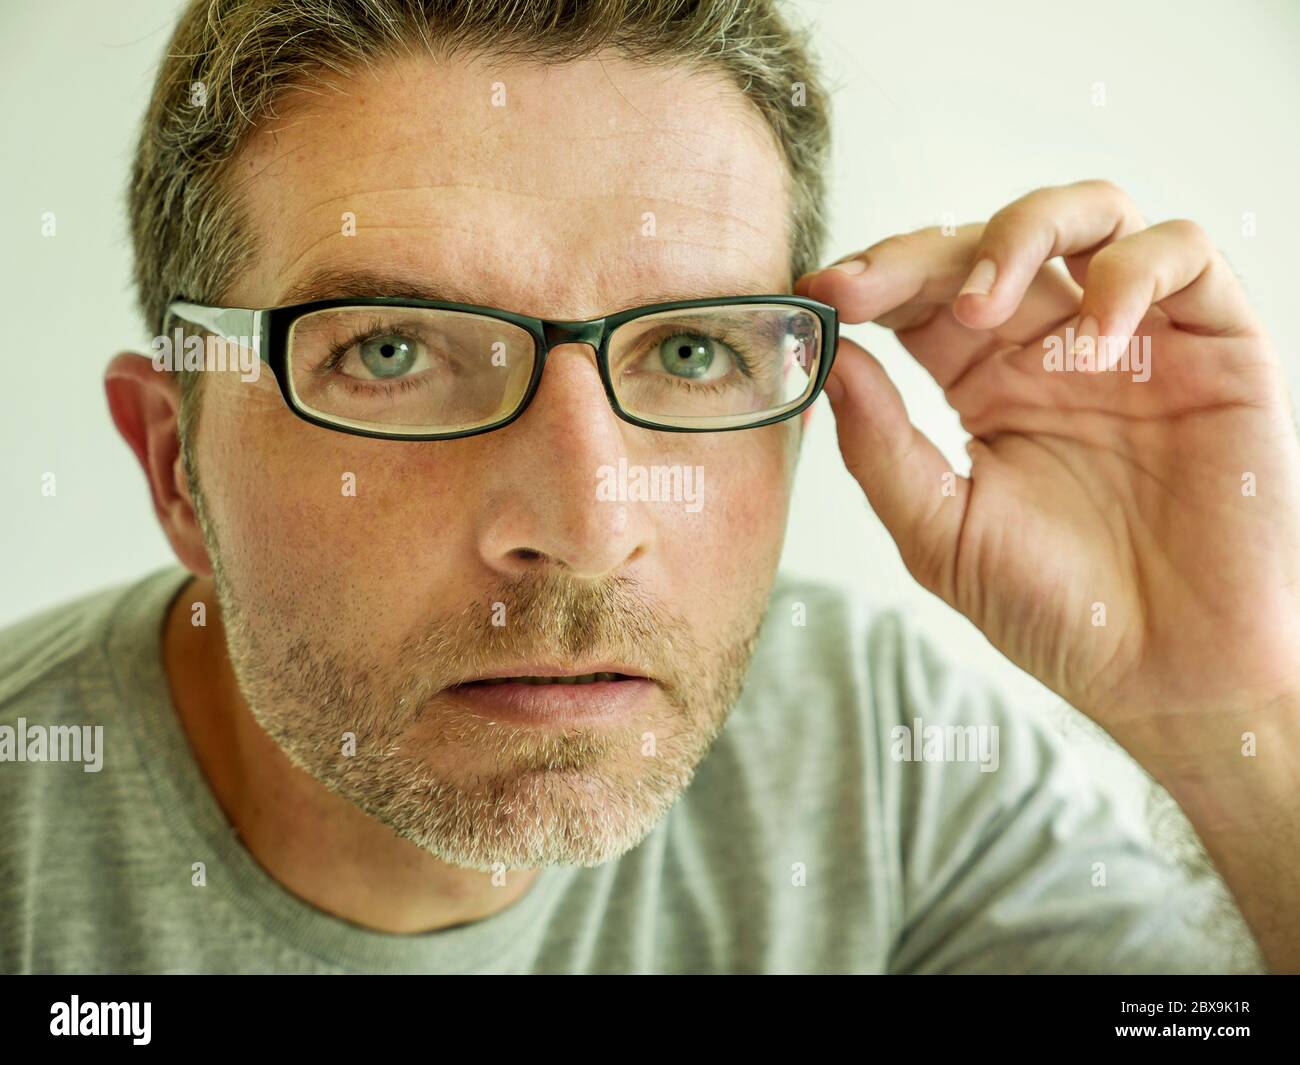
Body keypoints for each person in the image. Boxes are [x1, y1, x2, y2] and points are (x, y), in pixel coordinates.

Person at [2, 0, 1294, 974]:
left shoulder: (884, 767)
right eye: (389, 351)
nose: (586, 526)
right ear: (177, 463)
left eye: (691, 350)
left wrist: (1235, 710)